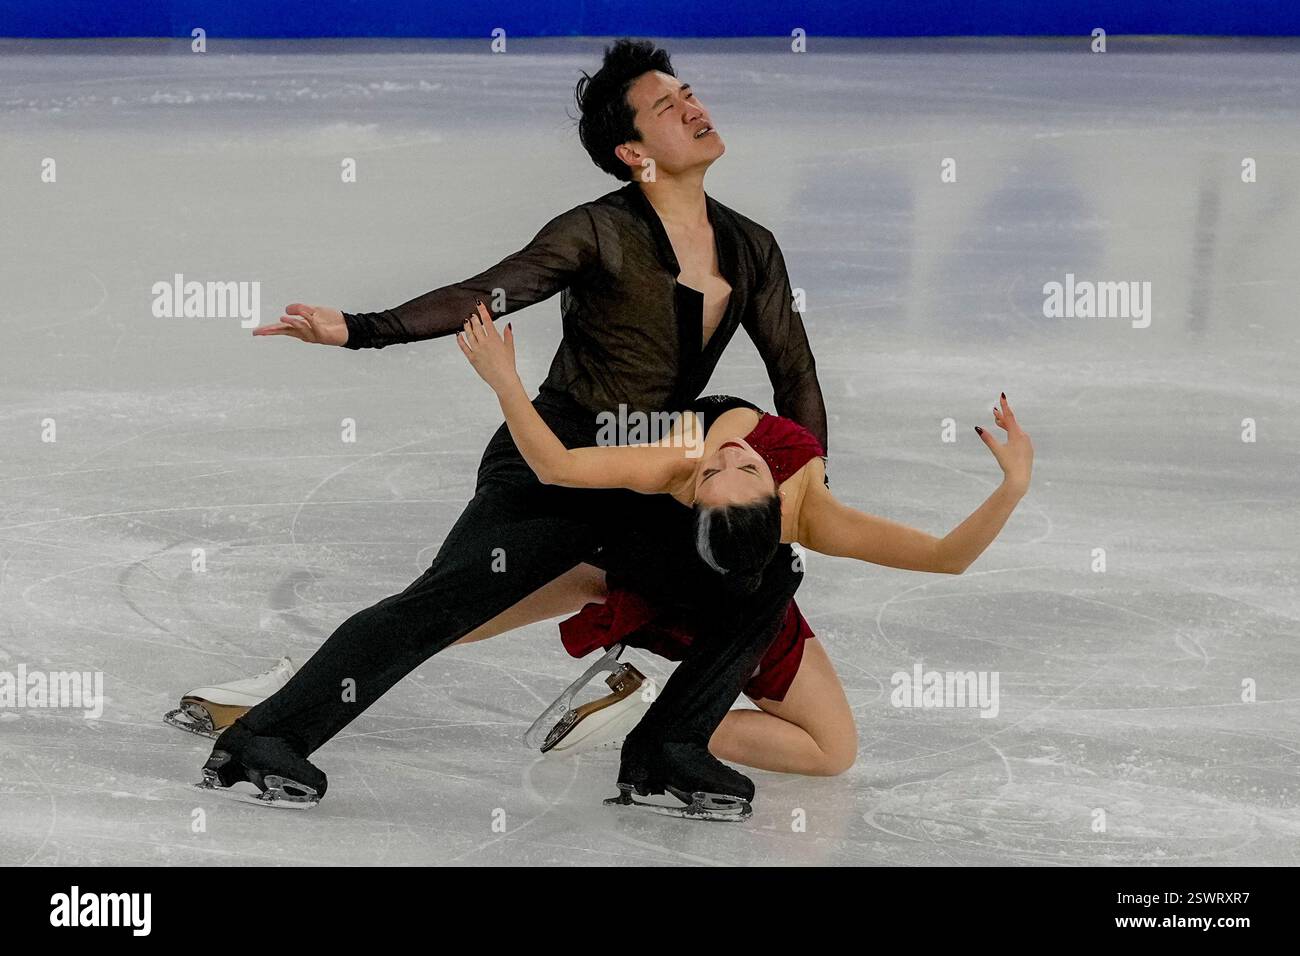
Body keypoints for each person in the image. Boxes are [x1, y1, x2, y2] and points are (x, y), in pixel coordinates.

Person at [196, 38, 828, 820]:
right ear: (633, 151)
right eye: (669, 106)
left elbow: (794, 372)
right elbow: (484, 292)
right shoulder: (598, 230)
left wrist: (803, 483)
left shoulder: (750, 245)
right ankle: (267, 737)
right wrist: (359, 329)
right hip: (555, 458)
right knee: (448, 600)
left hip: (660, 466)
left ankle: (667, 751)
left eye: (690, 93)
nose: (695, 108)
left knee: (759, 576)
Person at [456, 301, 1034, 777]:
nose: (729, 456)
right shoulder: (682, 460)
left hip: (740, 614)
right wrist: (506, 380)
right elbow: (555, 467)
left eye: (742, 470)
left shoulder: (808, 513)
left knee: (832, 752)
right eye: (716, 473)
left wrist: (1014, 483)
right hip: (654, 582)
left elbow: (946, 558)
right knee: (457, 620)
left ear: (779, 505)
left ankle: (645, 716)